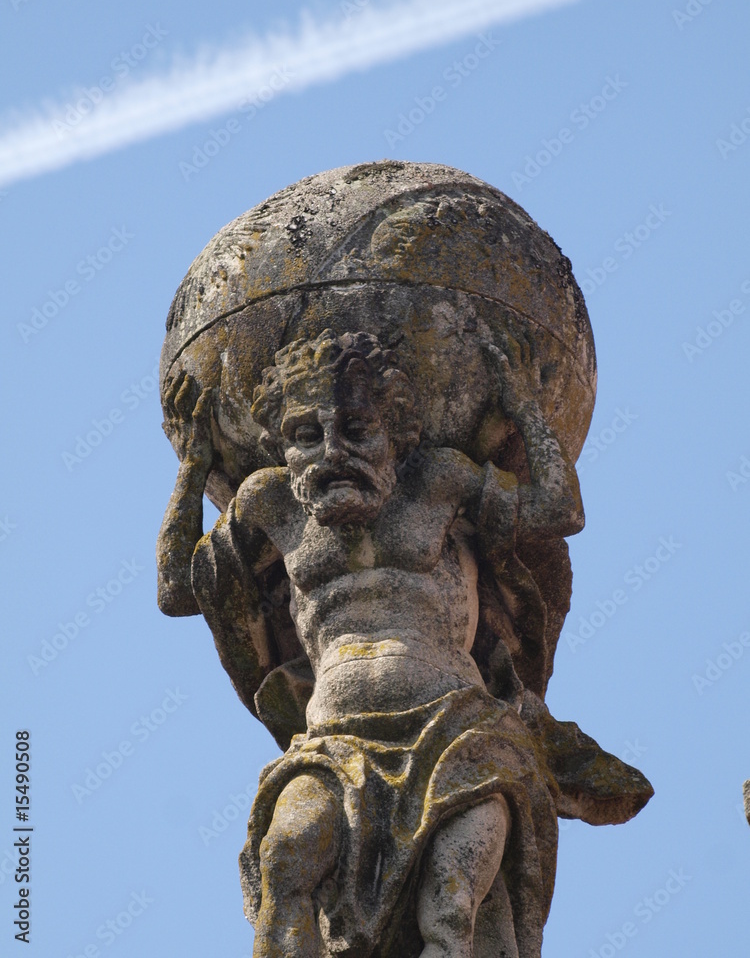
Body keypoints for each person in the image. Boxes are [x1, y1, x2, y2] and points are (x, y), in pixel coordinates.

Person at [157, 328, 650, 958]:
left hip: (459, 737)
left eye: (357, 429)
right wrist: (192, 466)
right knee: (284, 864)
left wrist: (525, 406)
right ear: (283, 445)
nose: (333, 452)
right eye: (307, 435)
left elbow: (558, 511)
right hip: (335, 742)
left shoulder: (438, 481)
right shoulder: (272, 502)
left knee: (450, 910)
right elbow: (176, 588)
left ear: (399, 433)